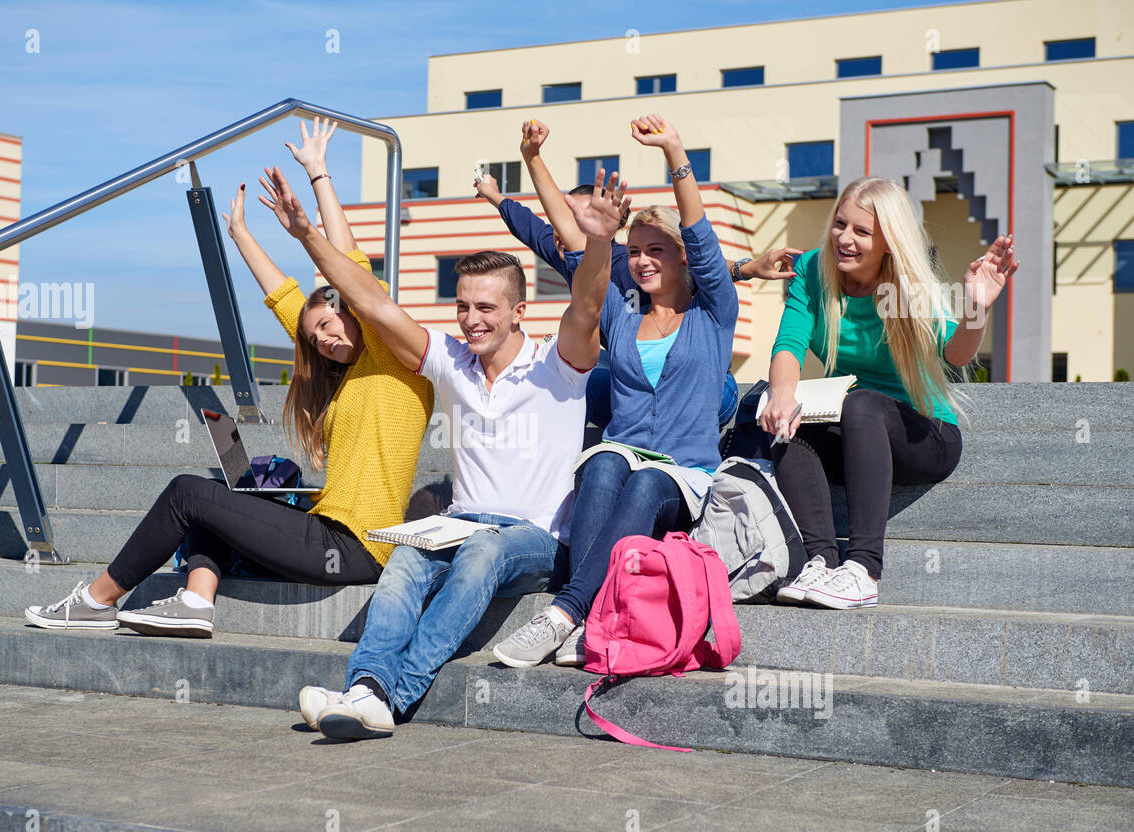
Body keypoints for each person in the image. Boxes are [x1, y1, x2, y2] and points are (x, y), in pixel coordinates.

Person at [24, 118, 433, 637]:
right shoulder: (348, 374)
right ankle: (196, 600)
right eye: (316, 337)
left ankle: (97, 599)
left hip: (354, 547)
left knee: (186, 492)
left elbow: (351, 269)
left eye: (332, 322)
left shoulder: (393, 358)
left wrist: (319, 175)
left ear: (353, 312)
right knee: (217, 496)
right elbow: (289, 303)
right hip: (327, 531)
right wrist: (240, 235)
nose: (325, 338)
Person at [274, 166, 627, 739]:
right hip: (459, 523)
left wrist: (602, 241)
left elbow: (587, 305)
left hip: (531, 536)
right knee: (408, 557)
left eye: (487, 308)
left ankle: (396, 692)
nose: (471, 320)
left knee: (483, 552)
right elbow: (371, 303)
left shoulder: (557, 363)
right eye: (463, 306)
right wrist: (305, 236)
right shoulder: (451, 361)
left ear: (519, 312)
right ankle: (364, 686)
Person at [492, 113, 738, 669]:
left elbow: (700, 234)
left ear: (681, 259)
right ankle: (594, 615)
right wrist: (595, 225)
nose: (643, 260)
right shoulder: (622, 316)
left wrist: (673, 149)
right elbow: (583, 258)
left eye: (657, 249)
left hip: (683, 470)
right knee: (602, 465)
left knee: (648, 480)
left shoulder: (712, 313)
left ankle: (565, 613)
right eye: (636, 250)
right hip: (623, 451)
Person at [762, 176, 1018, 609]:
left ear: (888, 241)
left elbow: (955, 354)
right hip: (853, 434)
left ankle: (862, 570)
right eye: (840, 224)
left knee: (861, 404)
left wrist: (977, 307)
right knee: (788, 425)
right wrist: (781, 396)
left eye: (862, 231)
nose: (844, 238)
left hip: (924, 436)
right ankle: (821, 563)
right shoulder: (812, 271)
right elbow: (788, 343)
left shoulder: (904, 286)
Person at [474, 117, 802, 426]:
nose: (562, 232)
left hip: (706, 387)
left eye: (578, 219)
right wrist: (502, 184)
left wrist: (748, 267)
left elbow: (699, 261)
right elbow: (527, 224)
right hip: (635, 384)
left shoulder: (631, 261)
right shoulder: (570, 256)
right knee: (562, 368)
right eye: (563, 221)